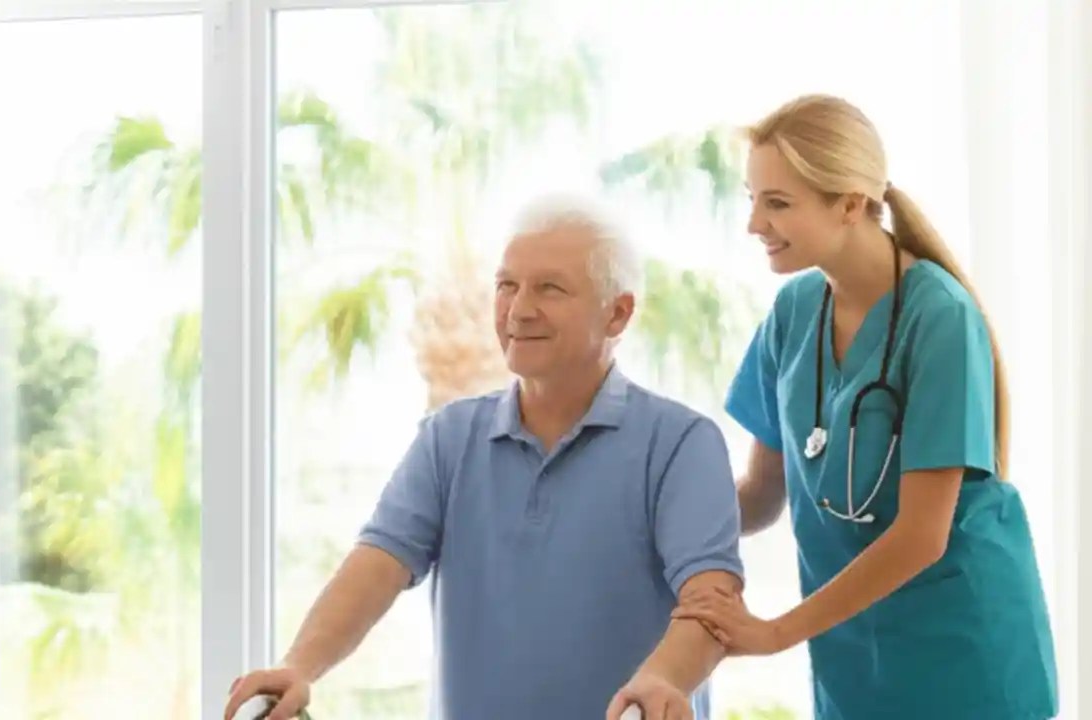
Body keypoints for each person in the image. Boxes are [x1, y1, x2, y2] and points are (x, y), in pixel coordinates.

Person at [225, 194, 745, 720]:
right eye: (507, 285)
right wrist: (300, 665)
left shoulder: (681, 443)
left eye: (550, 288)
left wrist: (660, 680)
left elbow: (712, 606)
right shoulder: (449, 438)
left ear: (618, 312)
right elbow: (377, 564)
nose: (519, 309)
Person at [671, 94, 1059, 720]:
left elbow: (920, 538)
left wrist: (771, 632)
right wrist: (657, 521)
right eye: (752, 199)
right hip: (854, 659)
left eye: (777, 203)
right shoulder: (794, 314)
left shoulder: (939, 318)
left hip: (963, 654)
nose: (753, 225)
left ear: (849, 204)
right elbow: (762, 495)